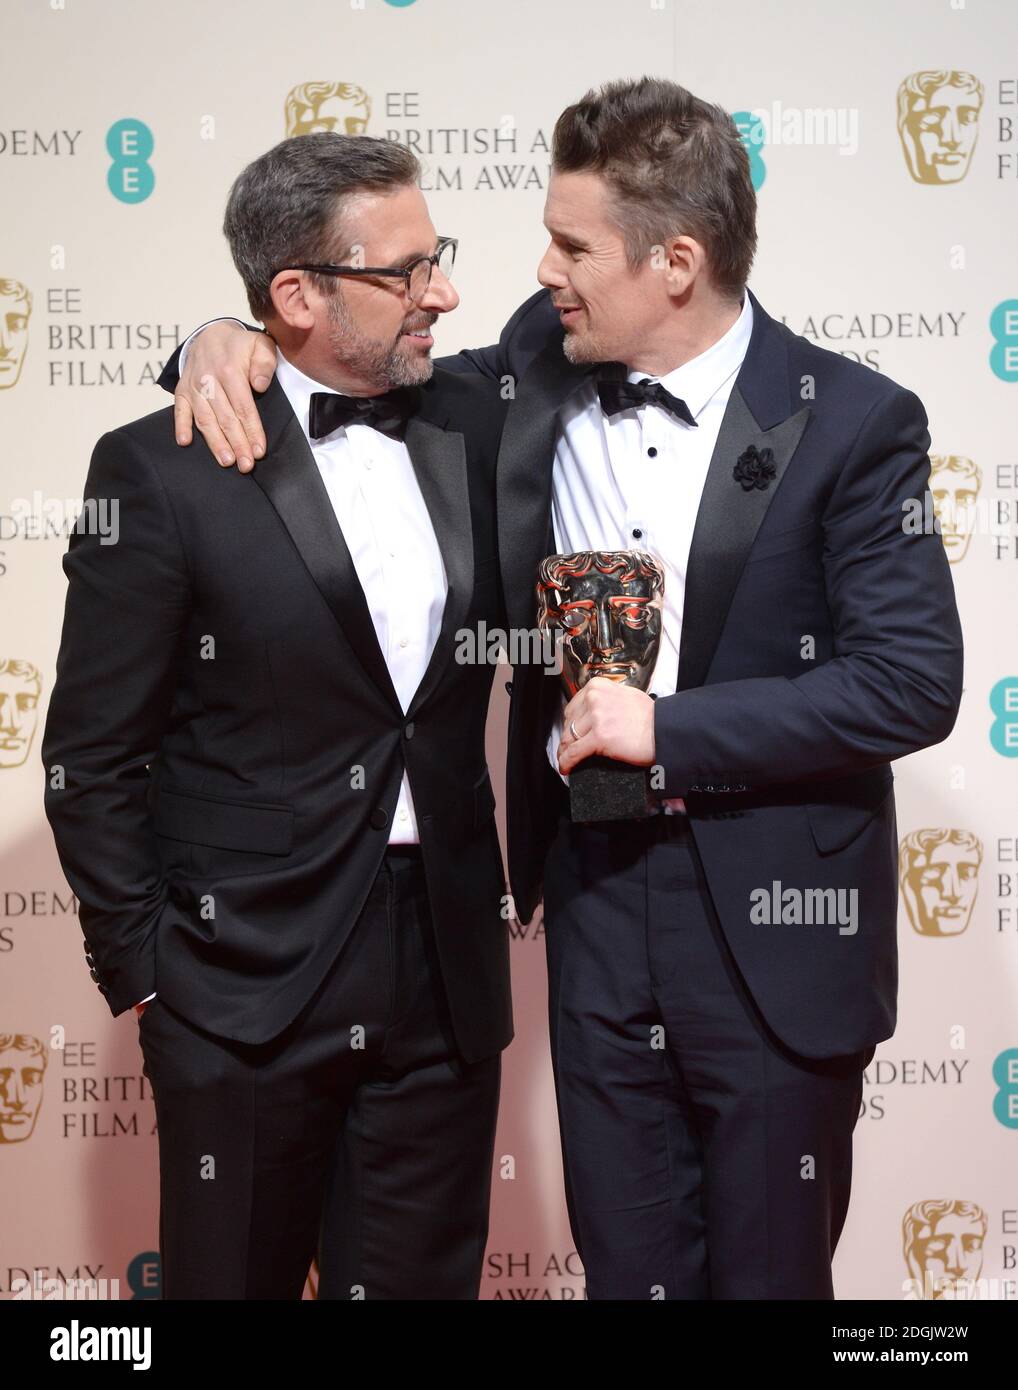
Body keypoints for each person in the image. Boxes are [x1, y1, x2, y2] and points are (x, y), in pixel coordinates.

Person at [157, 77, 964, 1299]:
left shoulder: (850, 421)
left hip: (773, 923)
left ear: (676, 262)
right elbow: (349, 358)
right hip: (595, 907)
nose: (541, 271)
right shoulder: (530, 370)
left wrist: (672, 730)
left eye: (573, 244)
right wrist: (220, 341)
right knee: (625, 1270)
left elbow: (910, 683)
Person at [42, 132, 511, 1300]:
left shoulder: (479, 413)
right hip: (238, 975)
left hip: (441, 971)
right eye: (405, 271)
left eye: (436, 255)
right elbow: (93, 756)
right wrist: (148, 972)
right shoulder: (165, 468)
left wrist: (205, 330)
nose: (441, 292)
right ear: (294, 295)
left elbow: (592, 319)